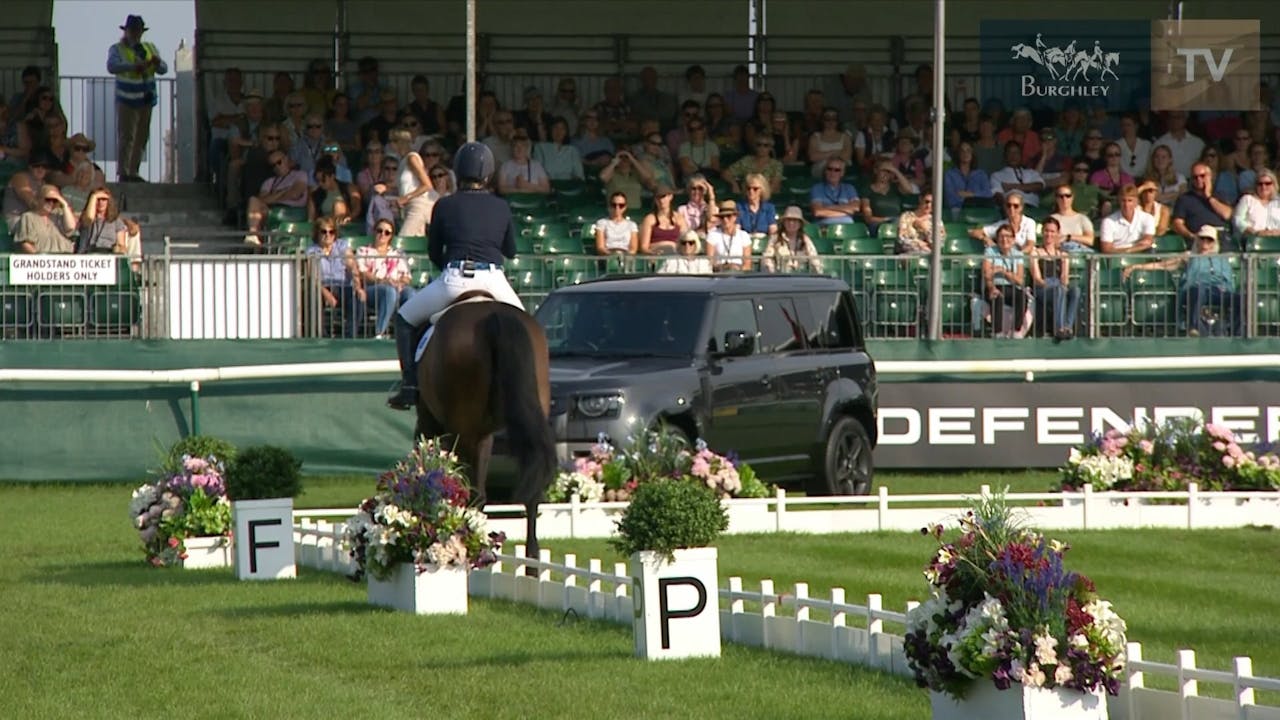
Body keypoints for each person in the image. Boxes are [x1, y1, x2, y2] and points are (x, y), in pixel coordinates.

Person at [386, 142, 524, 410]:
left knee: (404, 320)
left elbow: (434, 251)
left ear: (458, 172)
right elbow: (512, 251)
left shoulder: (444, 205)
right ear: (488, 174)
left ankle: (410, 386)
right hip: (493, 280)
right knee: (529, 330)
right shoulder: (501, 207)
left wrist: (447, 266)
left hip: (454, 279)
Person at [106, 15, 167, 182]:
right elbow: (111, 66)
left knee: (141, 137)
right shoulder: (117, 48)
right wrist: (134, 66)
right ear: (126, 31)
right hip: (127, 98)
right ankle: (124, 172)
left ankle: (133, 171)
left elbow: (164, 69)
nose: (136, 34)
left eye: (138, 31)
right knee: (127, 136)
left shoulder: (149, 48)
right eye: (133, 31)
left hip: (146, 98)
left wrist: (156, 62)